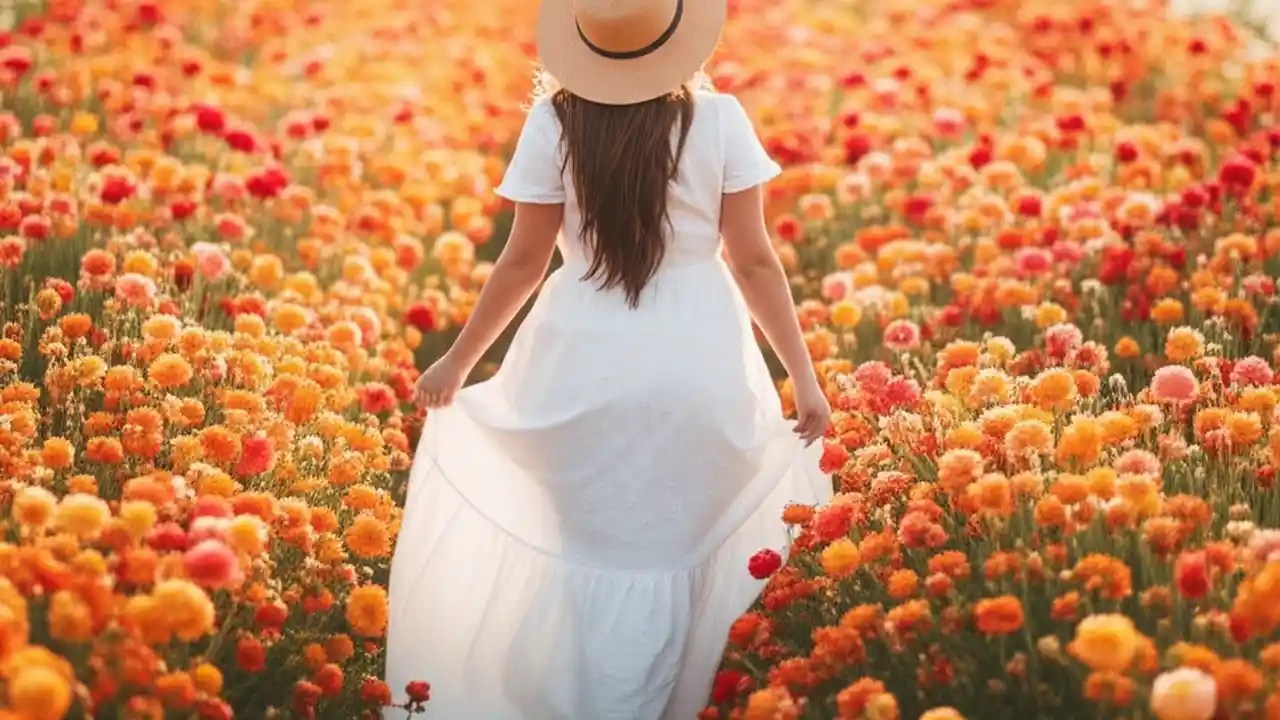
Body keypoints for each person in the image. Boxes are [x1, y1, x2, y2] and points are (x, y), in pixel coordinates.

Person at [384, 0, 834, 716]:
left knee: (587, 548)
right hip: (698, 361)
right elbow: (754, 264)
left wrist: (459, 365)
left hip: (580, 363)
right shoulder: (719, 123)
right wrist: (802, 380)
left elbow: (523, 263)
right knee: (678, 548)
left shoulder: (554, 122)